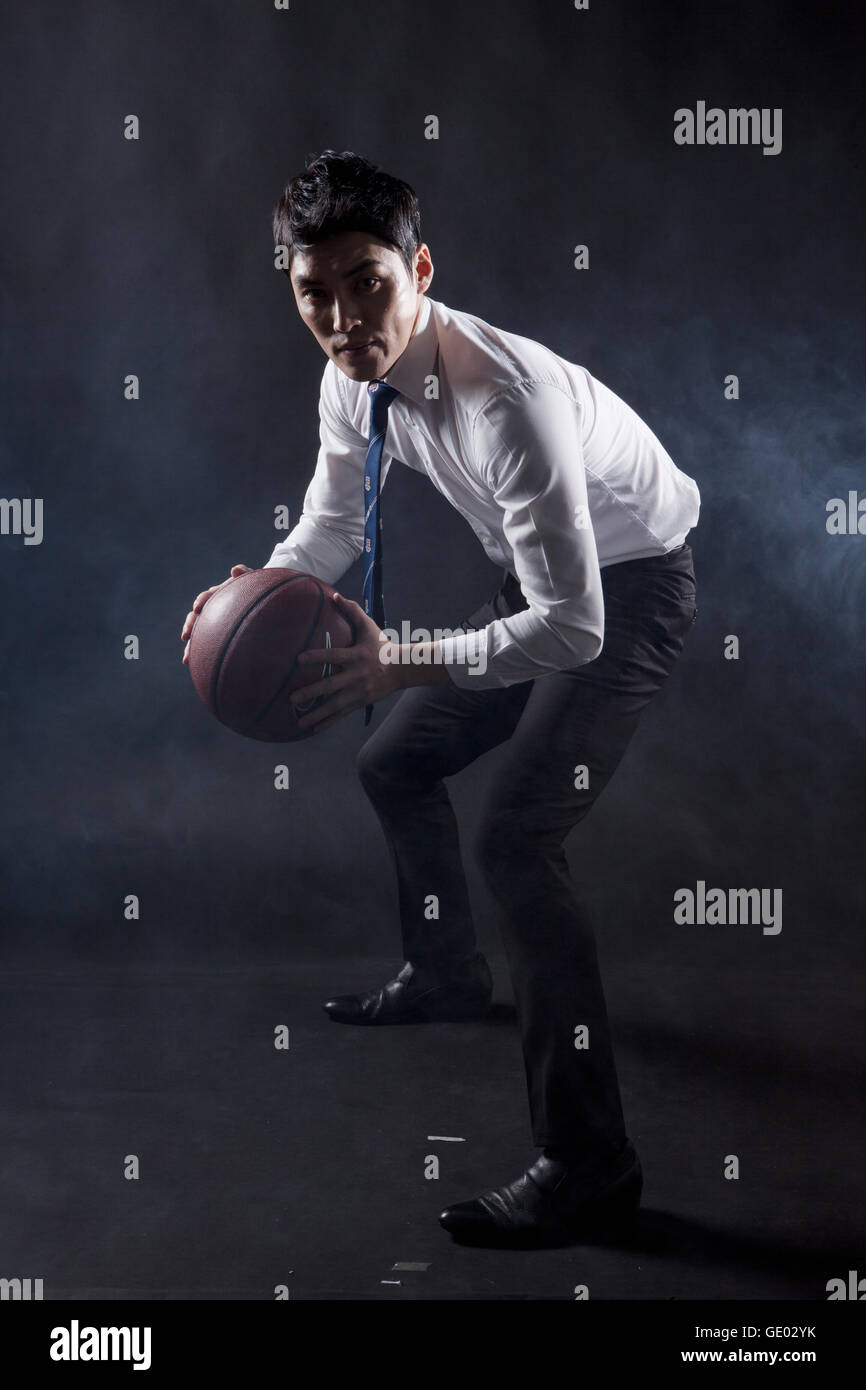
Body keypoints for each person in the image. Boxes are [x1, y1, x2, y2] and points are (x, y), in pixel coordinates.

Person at [180, 149, 700, 1249]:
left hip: (629, 589)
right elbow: (329, 531)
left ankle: (589, 1164)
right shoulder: (348, 375)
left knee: (517, 841)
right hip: (539, 578)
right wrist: (254, 589)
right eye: (312, 290)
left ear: (418, 267)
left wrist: (399, 659)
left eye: (365, 281)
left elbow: (576, 628)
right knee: (391, 761)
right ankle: (449, 970)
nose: (339, 315)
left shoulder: (499, 399)